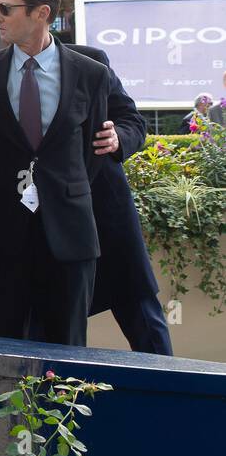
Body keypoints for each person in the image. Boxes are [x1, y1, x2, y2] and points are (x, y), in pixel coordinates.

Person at [0, 0, 110, 347]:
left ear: (41, 13)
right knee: (5, 345)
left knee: (67, 350)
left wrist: (56, 186)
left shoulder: (90, 74)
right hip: (2, 228)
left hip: (69, 233)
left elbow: (91, 153)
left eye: (5, 9)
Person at [58, 43, 173, 356]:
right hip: (49, 222)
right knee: (53, 331)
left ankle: (170, 399)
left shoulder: (90, 60)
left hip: (106, 213)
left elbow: (133, 121)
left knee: (143, 318)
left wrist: (118, 137)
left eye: (5, 8)